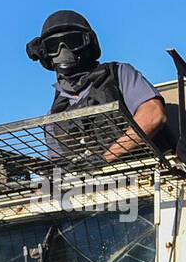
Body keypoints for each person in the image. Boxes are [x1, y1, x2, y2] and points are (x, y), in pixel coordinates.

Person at [26, 10, 169, 161]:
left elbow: (153, 115)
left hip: (146, 175)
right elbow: (57, 167)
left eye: (73, 42)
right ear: (45, 54)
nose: (63, 51)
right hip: (90, 184)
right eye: (53, 46)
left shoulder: (118, 74)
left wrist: (104, 158)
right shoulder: (54, 114)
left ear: (88, 43)